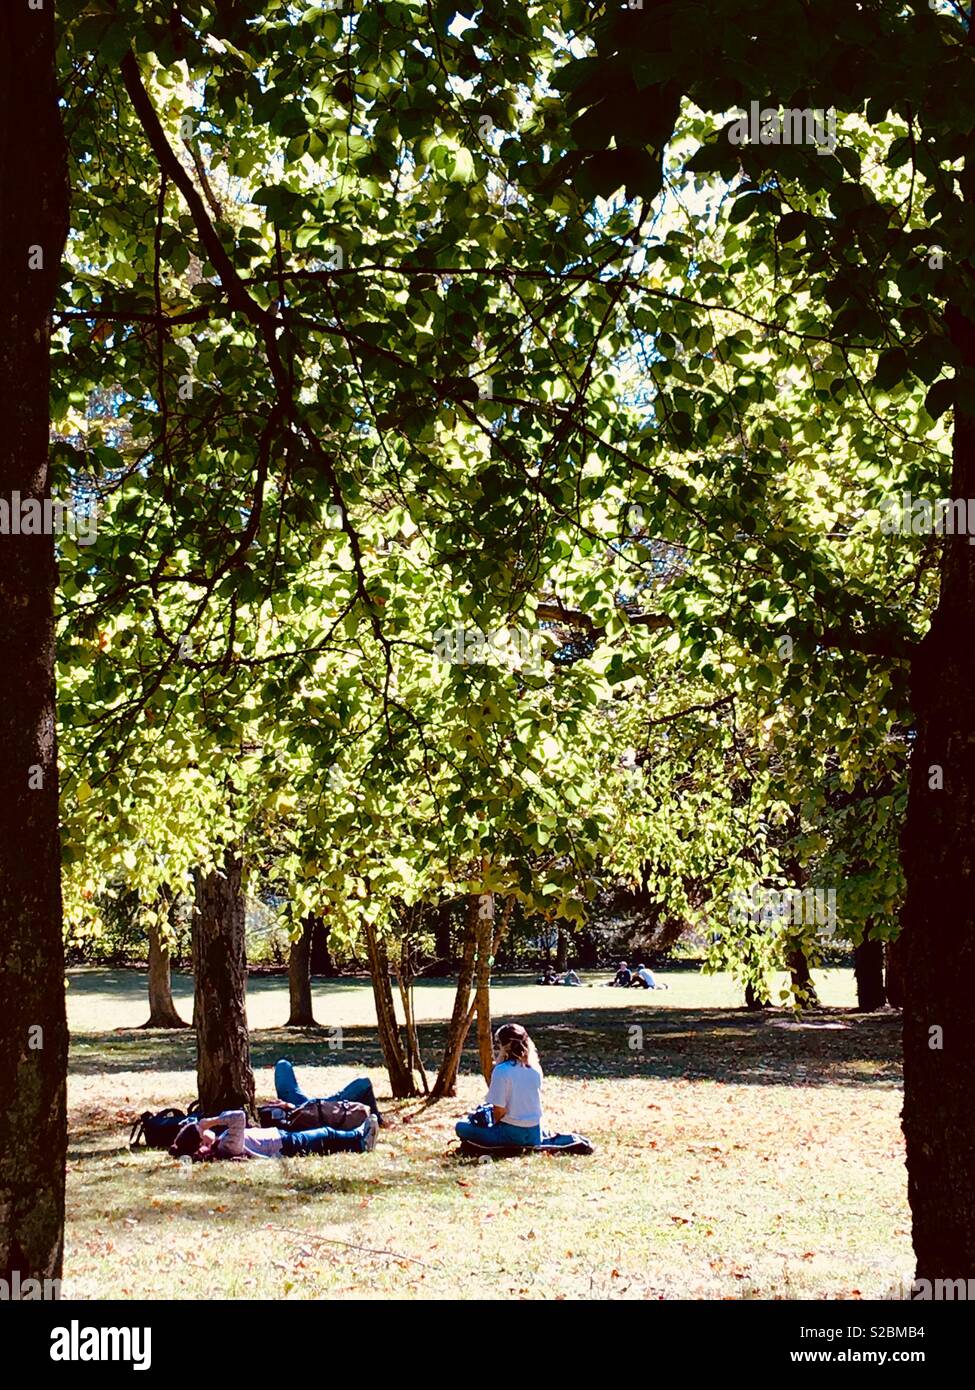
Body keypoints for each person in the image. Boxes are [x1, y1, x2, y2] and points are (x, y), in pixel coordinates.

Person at [169, 1106, 378, 1161]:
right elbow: (239, 1117)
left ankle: (358, 1142)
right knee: (326, 1134)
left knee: (325, 1142)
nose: (207, 1129)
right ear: (202, 1144)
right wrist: (211, 1121)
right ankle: (359, 1137)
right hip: (282, 1145)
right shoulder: (227, 1145)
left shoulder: (222, 1143)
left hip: (280, 1138)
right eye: (203, 1131)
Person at [455, 1023, 544, 1149]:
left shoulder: (502, 1070)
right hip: (535, 1133)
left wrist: (493, 1125)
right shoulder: (535, 1069)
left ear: (504, 1046)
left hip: (510, 1133)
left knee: (461, 1126)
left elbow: (499, 1110)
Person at [274, 1059, 383, 1125]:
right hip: (321, 1111)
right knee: (364, 1083)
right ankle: (377, 1120)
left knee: (283, 1064)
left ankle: (376, 1119)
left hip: (300, 1106)